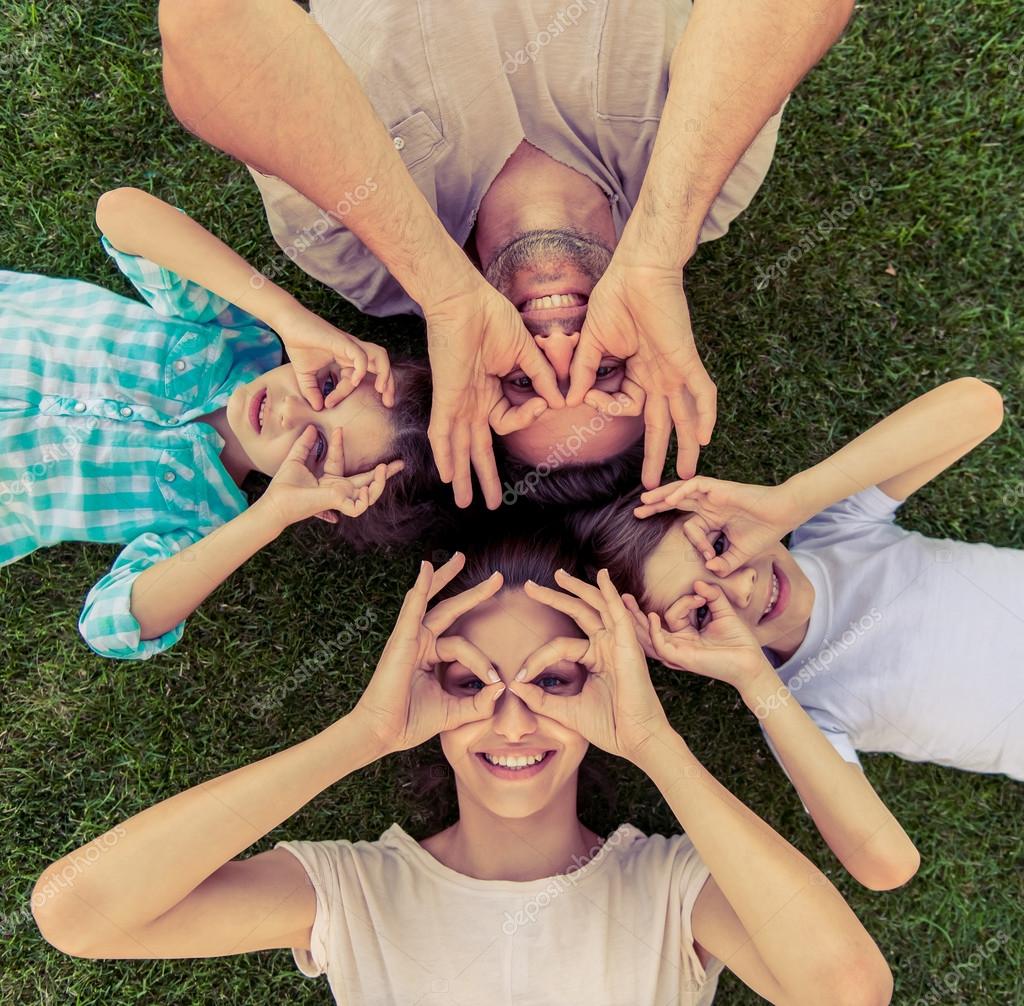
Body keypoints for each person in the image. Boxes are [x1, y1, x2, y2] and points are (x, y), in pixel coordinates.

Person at [31, 549, 893, 1005]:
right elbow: (77, 911)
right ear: (423, 691)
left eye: (555, 681)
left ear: (607, 690)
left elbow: (848, 992)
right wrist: (361, 735)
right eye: (468, 682)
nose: (512, 721)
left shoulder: (671, 886)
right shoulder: (354, 892)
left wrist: (655, 742)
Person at [158, 0, 856, 507]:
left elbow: (206, 26)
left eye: (524, 380)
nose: (558, 345)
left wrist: (446, 291)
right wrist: (655, 256)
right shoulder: (703, 187)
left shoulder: (361, 258)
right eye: (606, 368)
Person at [571, 377, 1019, 889]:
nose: (741, 586)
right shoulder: (799, 710)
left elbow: (979, 405)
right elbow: (886, 865)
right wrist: (754, 679)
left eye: (720, 545)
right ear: (682, 654)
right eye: (700, 613)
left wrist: (792, 501)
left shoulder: (837, 529)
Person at [0, 187, 439, 659]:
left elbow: (111, 626)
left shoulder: (204, 520)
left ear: (318, 504)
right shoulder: (237, 336)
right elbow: (119, 214)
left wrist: (270, 517)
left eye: (316, 448)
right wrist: (289, 317)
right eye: (328, 387)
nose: (290, 410)